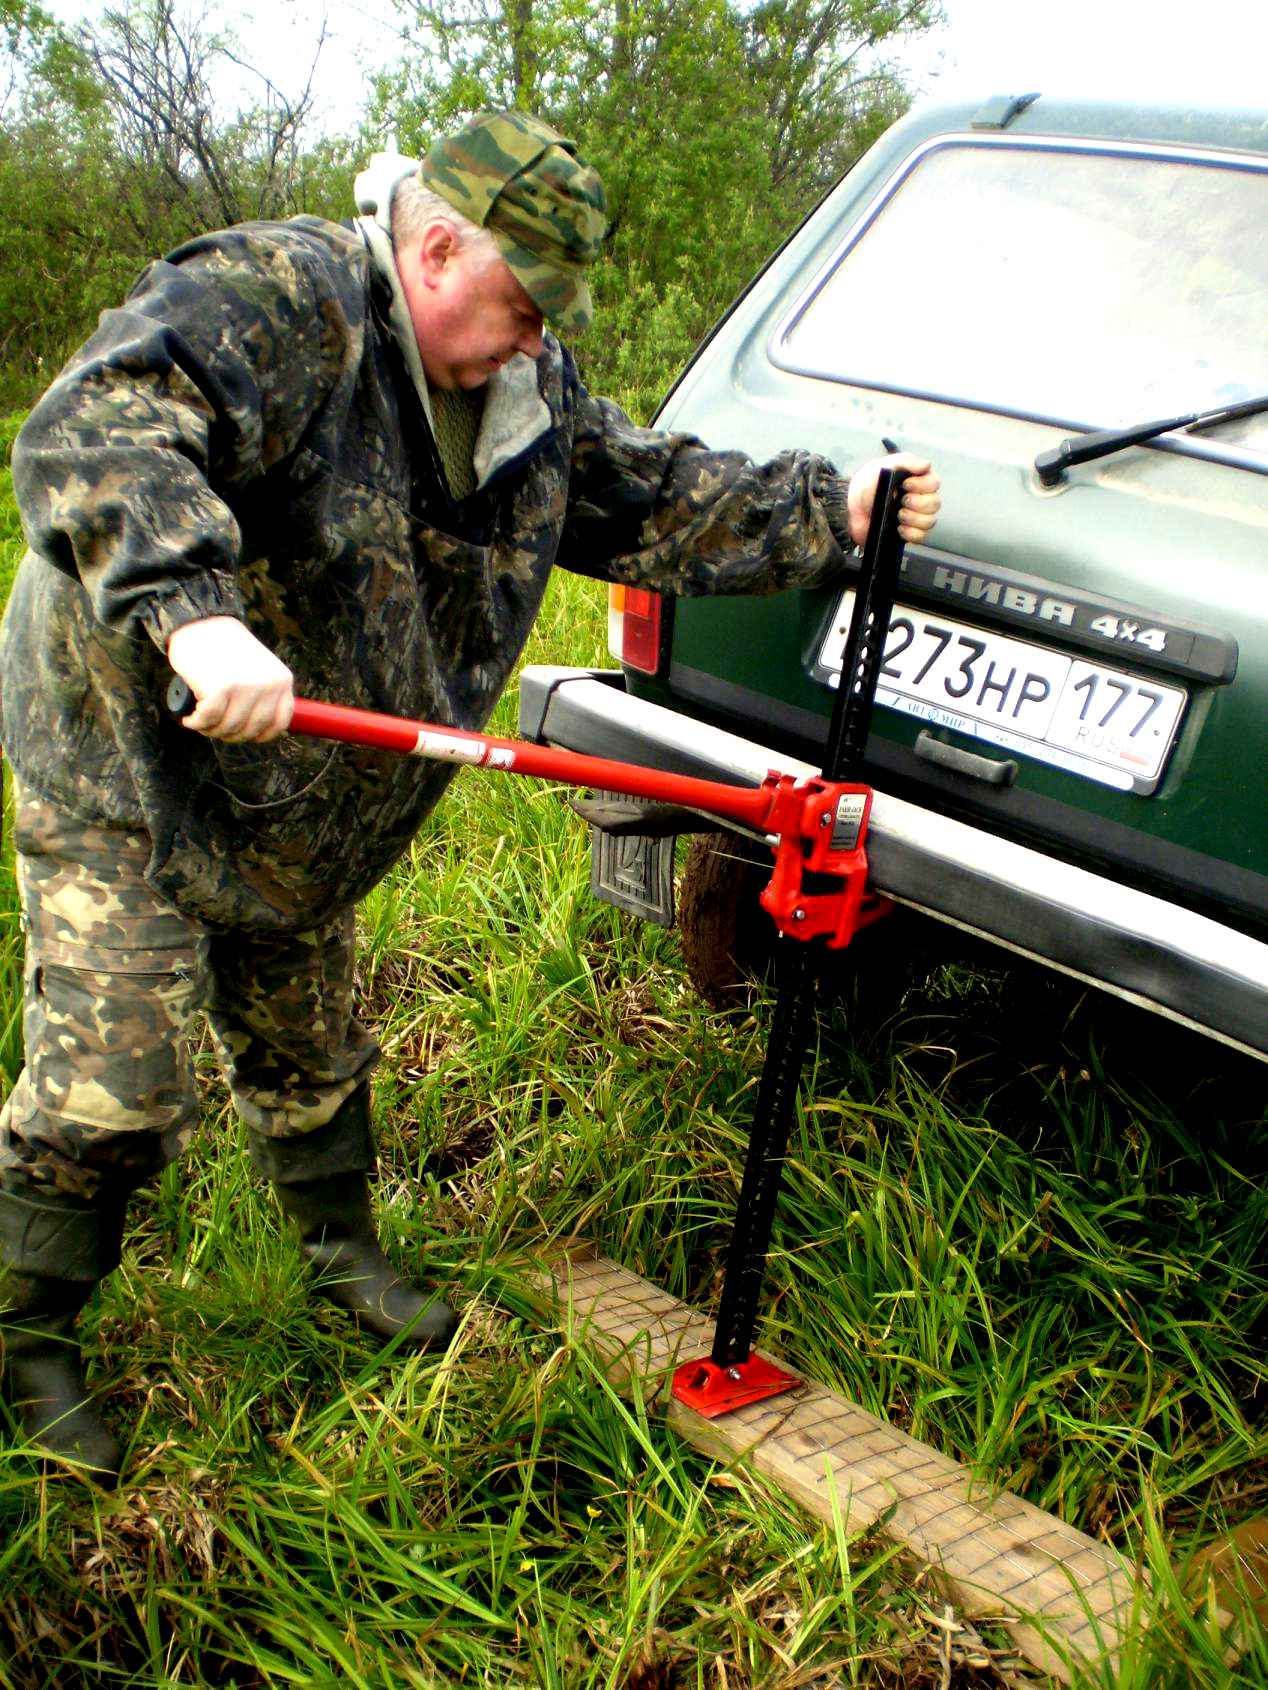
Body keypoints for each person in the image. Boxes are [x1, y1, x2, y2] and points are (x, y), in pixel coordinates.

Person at [0, 110, 941, 1486]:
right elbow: (98, 427)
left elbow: (642, 494)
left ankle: (343, 1256)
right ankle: (29, 1339)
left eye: (552, 315)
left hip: (302, 791)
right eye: (523, 303)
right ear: (436, 248)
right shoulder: (281, 296)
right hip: (132, 759)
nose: (536, 337)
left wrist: (830, 512)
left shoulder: (523, 387)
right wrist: (192, 613)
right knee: (118, 1086)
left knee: (309, 1037)